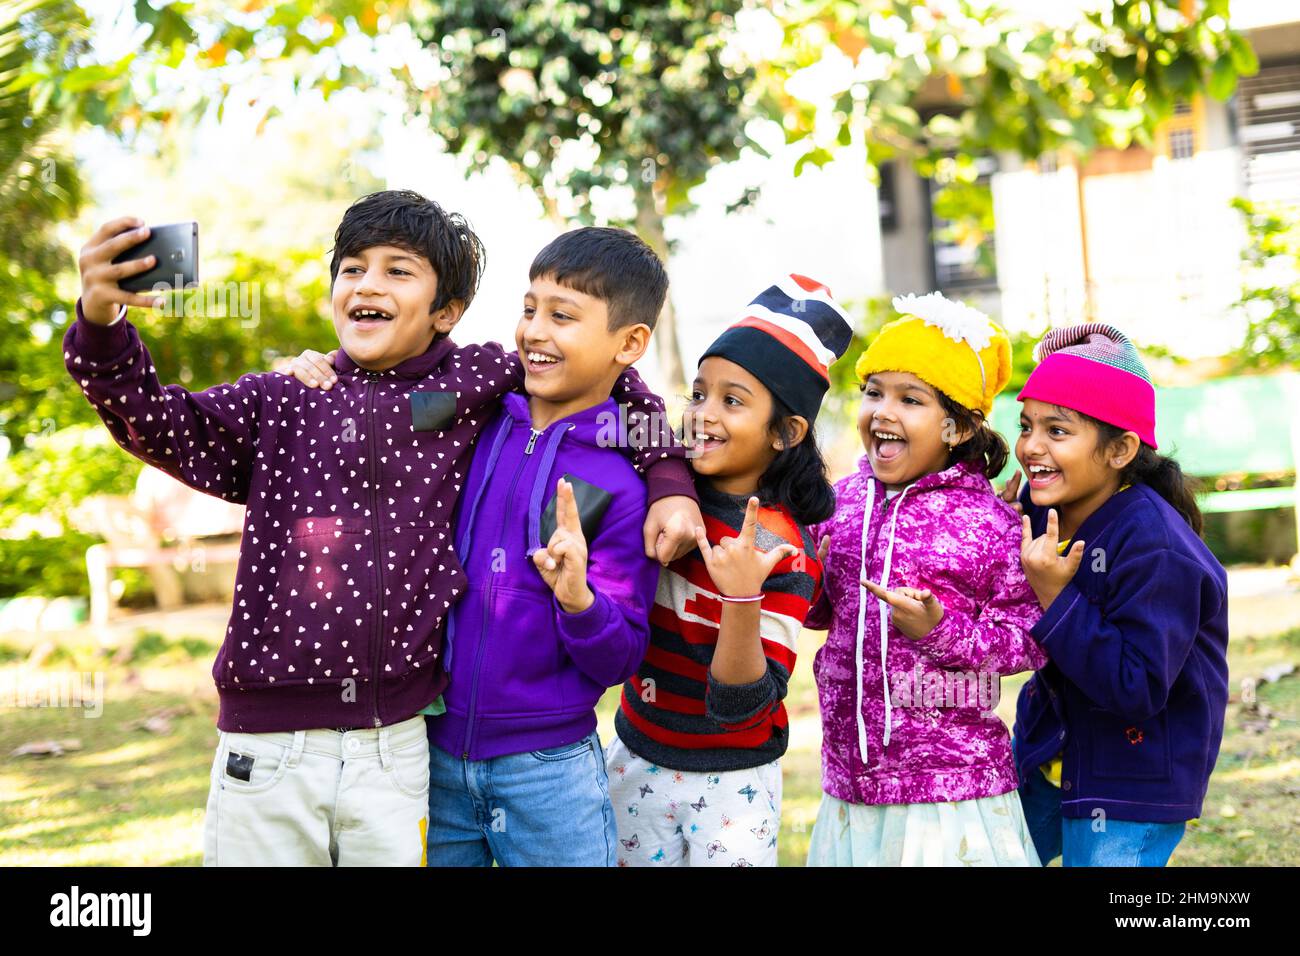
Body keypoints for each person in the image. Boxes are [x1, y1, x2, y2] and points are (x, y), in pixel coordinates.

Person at [66, 193, 700, 866]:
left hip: (408, 749)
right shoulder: (287, 400)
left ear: (446, 314)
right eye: (352, 268)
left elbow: (610, 381)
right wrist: (102, 321)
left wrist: (667, 477)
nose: (368, 283)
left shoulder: (470, 388)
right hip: (277, 741)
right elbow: (158, 422)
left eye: (399, 270)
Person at [606, 275, 849, 867]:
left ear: (785, 433)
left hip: (730, 785)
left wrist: (741, 598)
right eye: (698, 394)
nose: (702, 414)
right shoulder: (663, 497)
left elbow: (743, 706)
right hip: (636, 753)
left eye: (732, 400)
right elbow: (611, 390)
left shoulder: (781, 552)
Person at [804, 292, 1046, 866]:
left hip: (953, 789)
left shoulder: (990, 522)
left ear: (958, 427)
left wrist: (941, 630)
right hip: (852, 779)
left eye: (910, 399)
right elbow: (820, 612)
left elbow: (1030, 639)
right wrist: (801, 577)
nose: (883, 411)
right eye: (873, 393)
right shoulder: (839, 502)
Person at [1010, 323, 1229, 867]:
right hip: (1050, 752)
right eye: (1026, 425)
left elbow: (1138, 687)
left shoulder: (1156, 546)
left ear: (1120, 449)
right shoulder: (1046, 509)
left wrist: (1057, 599)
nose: (1031, 446)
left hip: (1134, 779)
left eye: (1057, 430)